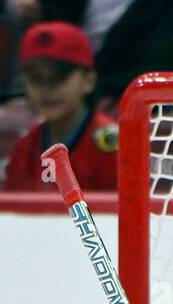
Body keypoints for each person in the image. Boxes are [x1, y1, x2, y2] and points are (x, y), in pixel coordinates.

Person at [2, 20, 116, 191]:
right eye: (36, 78)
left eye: (60, 77)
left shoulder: (112, 147)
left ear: (89, 80)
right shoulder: (24, 149)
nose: (47, 89)